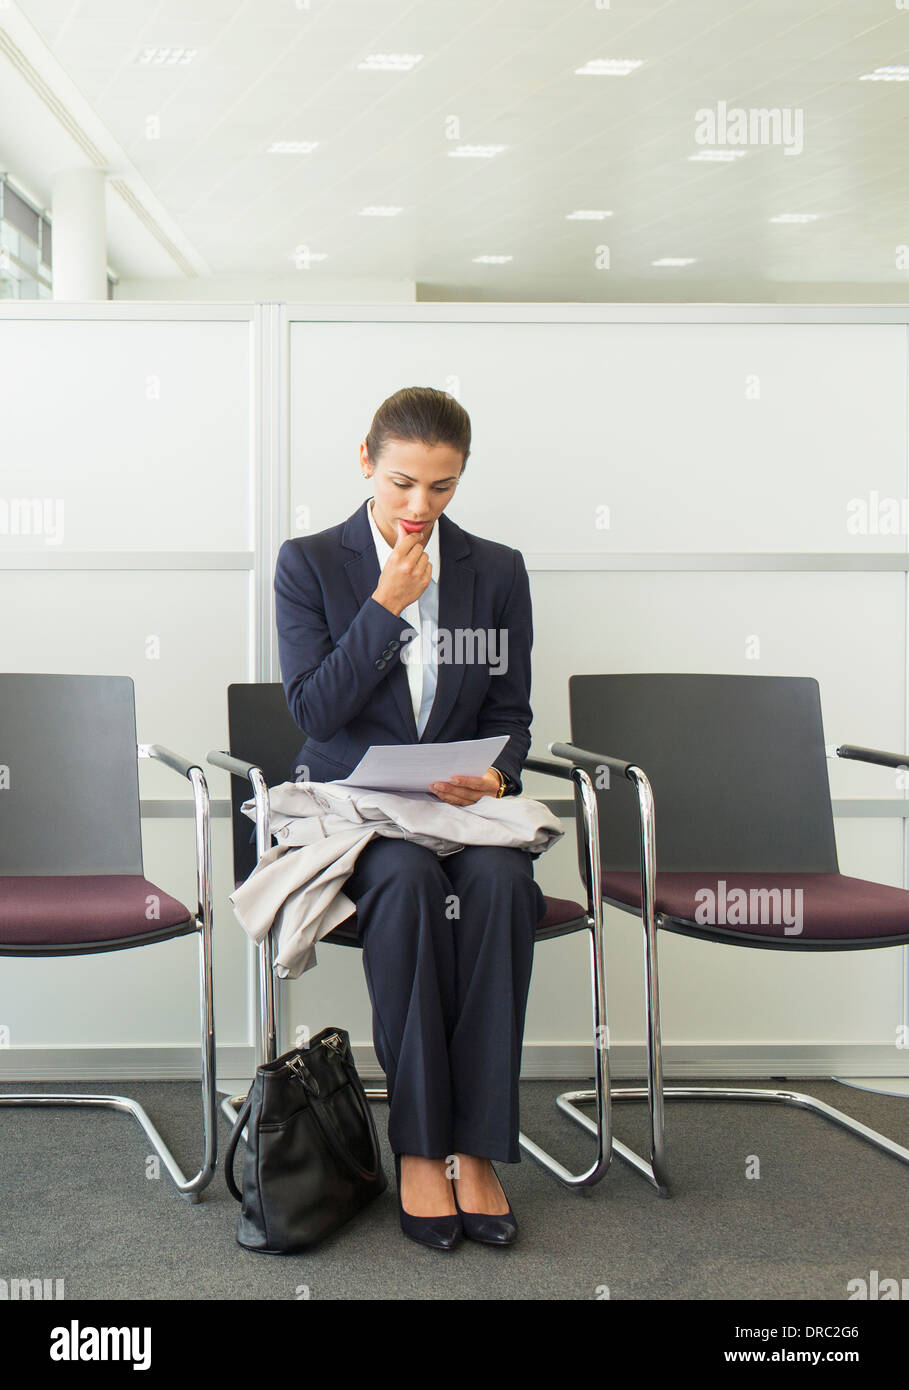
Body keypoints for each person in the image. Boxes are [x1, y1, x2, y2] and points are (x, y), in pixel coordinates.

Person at [273, 386, 547, 1250]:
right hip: (356, 816)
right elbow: (317, 711)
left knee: (504, 885)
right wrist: (385, 605)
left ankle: (478, 1145)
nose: (419, 508)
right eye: (401, 485)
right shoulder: (310, 563)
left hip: (455, 813)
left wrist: (495, 779)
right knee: (406, 883)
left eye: (441, 488)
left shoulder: (495, 570)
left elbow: (512, 711)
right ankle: (423, 1149)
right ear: (365, 461)